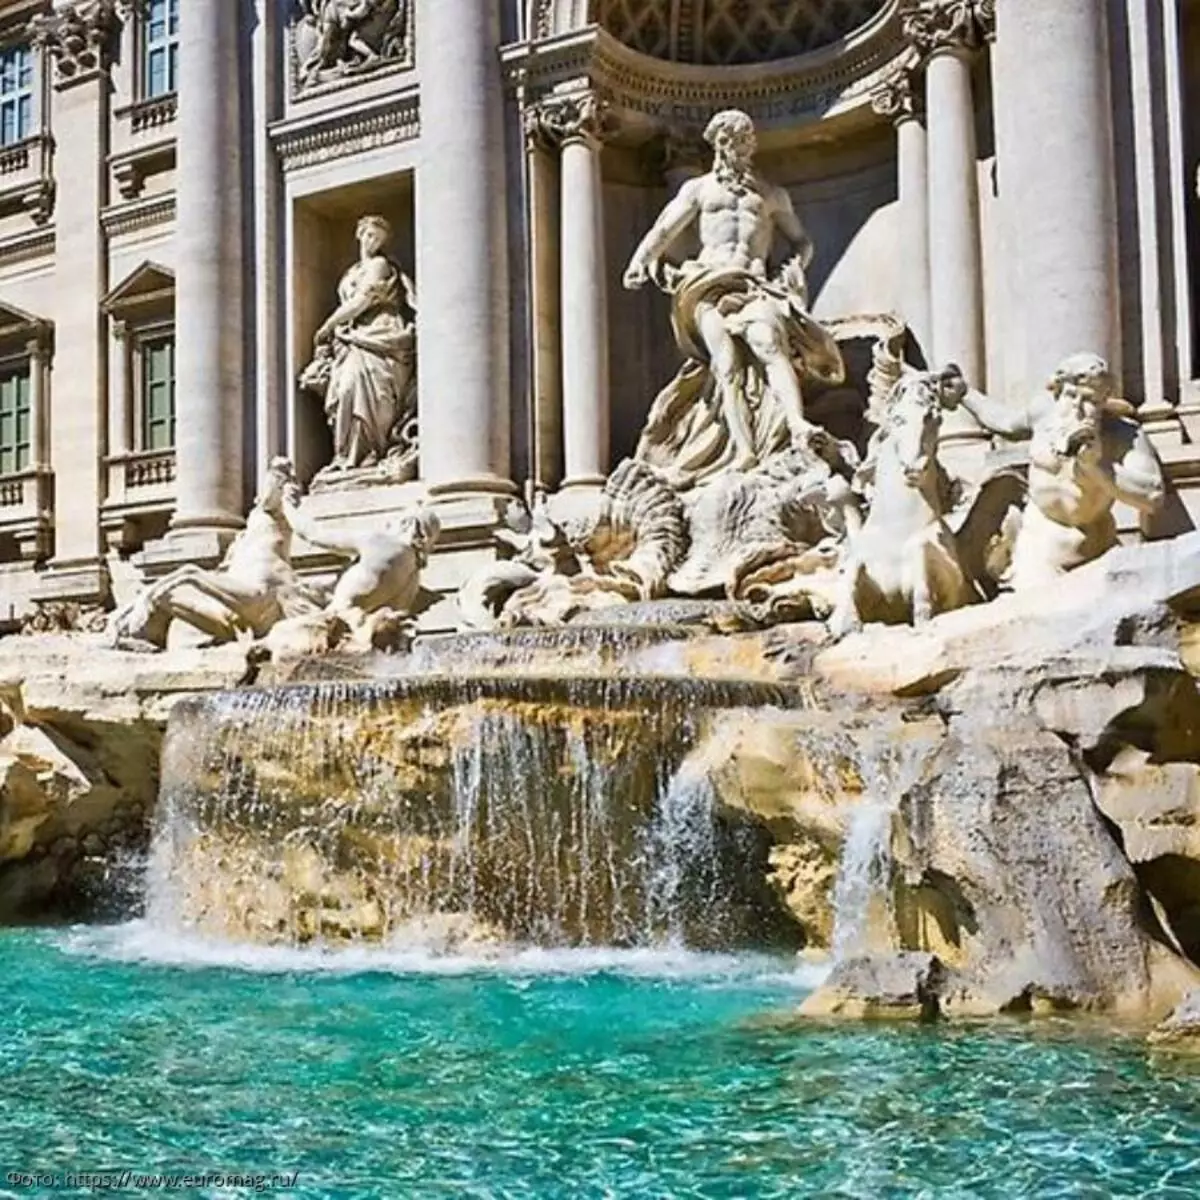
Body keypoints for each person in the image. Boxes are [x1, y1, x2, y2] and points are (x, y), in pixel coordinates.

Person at [623, 109, 843, 485]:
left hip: (755, 284)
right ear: (718, 143)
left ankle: (796, 424)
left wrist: (793, 269)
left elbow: (802, 241)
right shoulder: (699, 190)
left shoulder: (771, 194)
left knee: (768, 343)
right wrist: (641, 261)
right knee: (725, 364)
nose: (742, 147)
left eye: (746, 140)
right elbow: (665, 228)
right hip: (707, 282)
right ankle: (743, 450)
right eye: (733, 140)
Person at [300, 214, 417, 473]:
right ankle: (346, 456)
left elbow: (362, 301)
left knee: (368, 390)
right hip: (352, 338)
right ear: (359, 234)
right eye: (369, 235)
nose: (373, 241)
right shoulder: (351, 271)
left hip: (380, 332)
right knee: (344, 391)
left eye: (379, 238)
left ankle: (372, 452)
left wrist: (328, 326)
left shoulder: (380, 265)